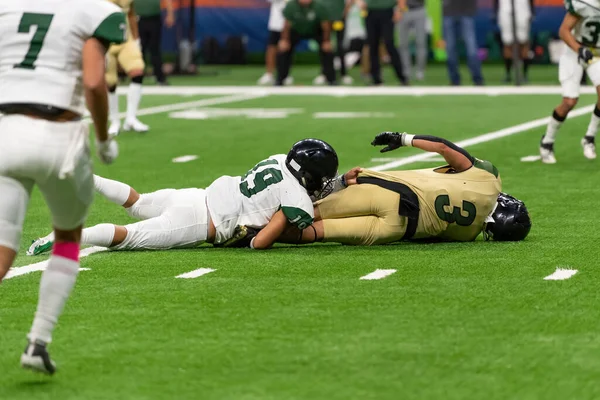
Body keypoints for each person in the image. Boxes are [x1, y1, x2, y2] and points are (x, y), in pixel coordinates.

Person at [0, 0, 123, 374]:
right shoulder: (95, 11)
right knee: (68, 236)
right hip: (58, 136)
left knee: (3, 247)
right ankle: (38, 341)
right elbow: (93, 81)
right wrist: (103, 140)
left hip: (5, 129)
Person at [28, 139, 339, 254]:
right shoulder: (296, 198)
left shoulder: (277, 159)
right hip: (201, 221)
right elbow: (259, 243)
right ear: (309, 173)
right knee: (128, 237)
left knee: (137, 203)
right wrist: (278, 221)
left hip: (196, 195)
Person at [273, 132, 531, 246]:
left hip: (391, 193)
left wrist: (403, 138)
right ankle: (252, 237)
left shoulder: (489, 178)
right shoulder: (467, 235)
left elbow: (443, 147)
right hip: (394, 230)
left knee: (306, 213)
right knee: (316, 233)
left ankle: (253, 226)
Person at [540, 0, 600, 163]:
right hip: (575, 52)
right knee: (569, 101)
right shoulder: (585, 3)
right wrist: (579, 49)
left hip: (596, 54)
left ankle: (589, 137)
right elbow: (564, 31)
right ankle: (547, 141)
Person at [107, 0, 149, 135]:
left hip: (125, 38)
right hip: (104, 39)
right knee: (110, 81)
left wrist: (137, 40)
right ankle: (114, 121)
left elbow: (131, 14)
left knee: (137, 71)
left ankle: (131, 118)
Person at [277, 0, 337, 86]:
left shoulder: (319, 6)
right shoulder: (291, 6)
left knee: (328, 51)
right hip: (296, 30)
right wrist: (284, 40)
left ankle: (331, 79)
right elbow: (286, 25)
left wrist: (326, 41)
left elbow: (325, 26)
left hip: (315, 30)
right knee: (283, 50)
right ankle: (280, 79)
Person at [361, 0, 408, 85]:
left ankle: (402, 77)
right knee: (373, 45)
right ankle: (376, 79)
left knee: (389, 43)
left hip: (387, 11)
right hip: (370, 11)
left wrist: (400, 10)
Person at [443, 0, 484, 86]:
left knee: (471, 49)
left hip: (466, 12)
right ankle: (454, 80)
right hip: (449, 12)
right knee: (450, 49)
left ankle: (477, 79)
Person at [314, 0, 354, 85]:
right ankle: (324, 73)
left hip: (338, 19)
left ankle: (343, 74)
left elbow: (350, 1)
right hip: (323, 19)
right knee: (324, 45)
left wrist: (346, 11)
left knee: (340, 47)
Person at [495, 0, 534, 83]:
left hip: (522, 10)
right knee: (507, 42)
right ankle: (508, 74)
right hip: (505, 10)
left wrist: (532, 10)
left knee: (523, 42)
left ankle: (524, 75)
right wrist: (495, 11)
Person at [137, 0, 175, 85]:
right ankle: (137, 77)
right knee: (139, 49)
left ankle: (160, 78)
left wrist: (170, 14)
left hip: (154, 18)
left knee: (154, 49)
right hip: (138, 19)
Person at [258, 0, 293, 86]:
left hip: (291, 23)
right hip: (276, 23)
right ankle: (269, 74)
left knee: (287, 49)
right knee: (272, 48)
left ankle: (285, 75)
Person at [397, 0, 428, 81]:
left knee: (421, 42)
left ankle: (420, 70)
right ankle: (406, 70)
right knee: (403, 44)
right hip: (403, 10)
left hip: (419, 10)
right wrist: (399, 8)